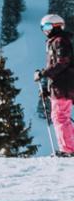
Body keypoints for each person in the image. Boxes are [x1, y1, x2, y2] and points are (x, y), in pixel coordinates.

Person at [36, 13, 74, 156]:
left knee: (60, 117)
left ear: (57, 26)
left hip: (63, 86)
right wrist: (48, 90)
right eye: (43, 28)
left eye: (47, 26)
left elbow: (63, 61)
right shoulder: (57, 41)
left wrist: (43, 73)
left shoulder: (59, 41)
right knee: (62, 116)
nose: (45, 31)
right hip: (61, 85)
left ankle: (68, 150)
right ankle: (69, 148)